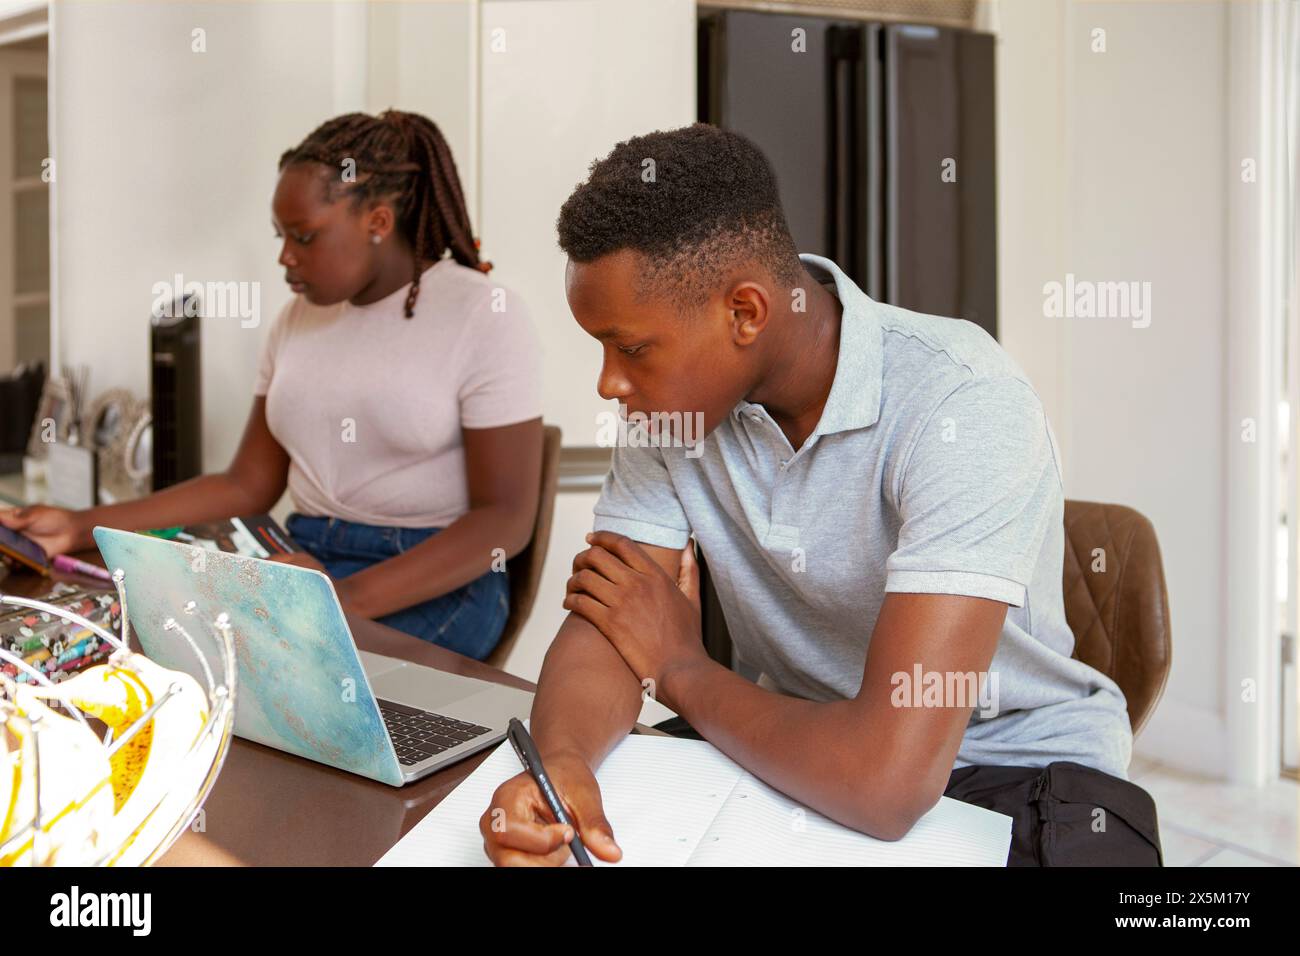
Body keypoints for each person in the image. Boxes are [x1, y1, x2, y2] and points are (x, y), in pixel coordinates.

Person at [478, 123, 1162, 865]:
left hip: (1020, 775)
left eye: (632, 348)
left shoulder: (963, 402)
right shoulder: (669, 412)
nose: (609, 382)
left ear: (744, 312)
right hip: (794, 748)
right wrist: (564, 765)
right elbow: (612, 627)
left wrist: (680, 668)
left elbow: (887, 782)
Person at [0, 111, 542, 662]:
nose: (286, 256)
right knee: (141, 632)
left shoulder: (484, 314)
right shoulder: (296, 319)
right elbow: (245, 485)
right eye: (282, 236)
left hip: (432, 573)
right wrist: (78, 526)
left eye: (304, 237)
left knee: (268, 667)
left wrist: (340, 597)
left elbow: (504, 519)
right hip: (298, 554)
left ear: (378, 221)